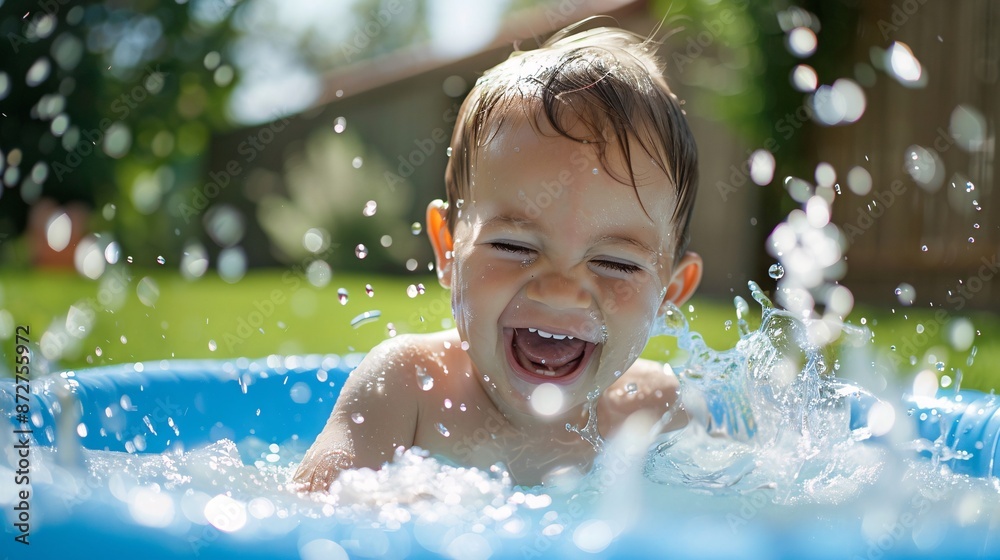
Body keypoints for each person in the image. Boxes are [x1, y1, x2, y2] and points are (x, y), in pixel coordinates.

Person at [294, 21, 703, 491]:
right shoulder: (408, 389)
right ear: (448, 249)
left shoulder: (657, 412)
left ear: (670, 291)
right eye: (515, 247)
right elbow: (310, 510)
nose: (561, 291)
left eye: (617, 263)